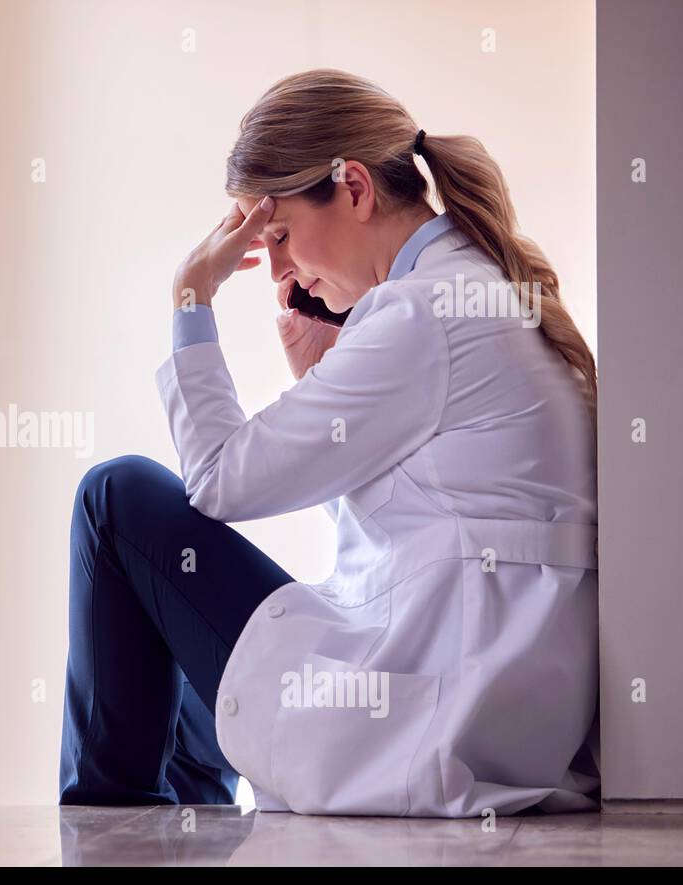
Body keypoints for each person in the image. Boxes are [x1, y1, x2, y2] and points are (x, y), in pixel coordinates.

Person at [58, 69, 600, 816]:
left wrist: (192, 300)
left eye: (276, 235)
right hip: (488, 699)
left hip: (438, 708)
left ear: (352, 188)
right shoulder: (472, 291)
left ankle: (106, 830)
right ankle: (178, 830)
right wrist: (318, 372)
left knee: (116, 498)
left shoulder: (419, 315)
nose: (278, 271)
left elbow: (217, 481)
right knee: (179, 615)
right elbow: (420, 522)